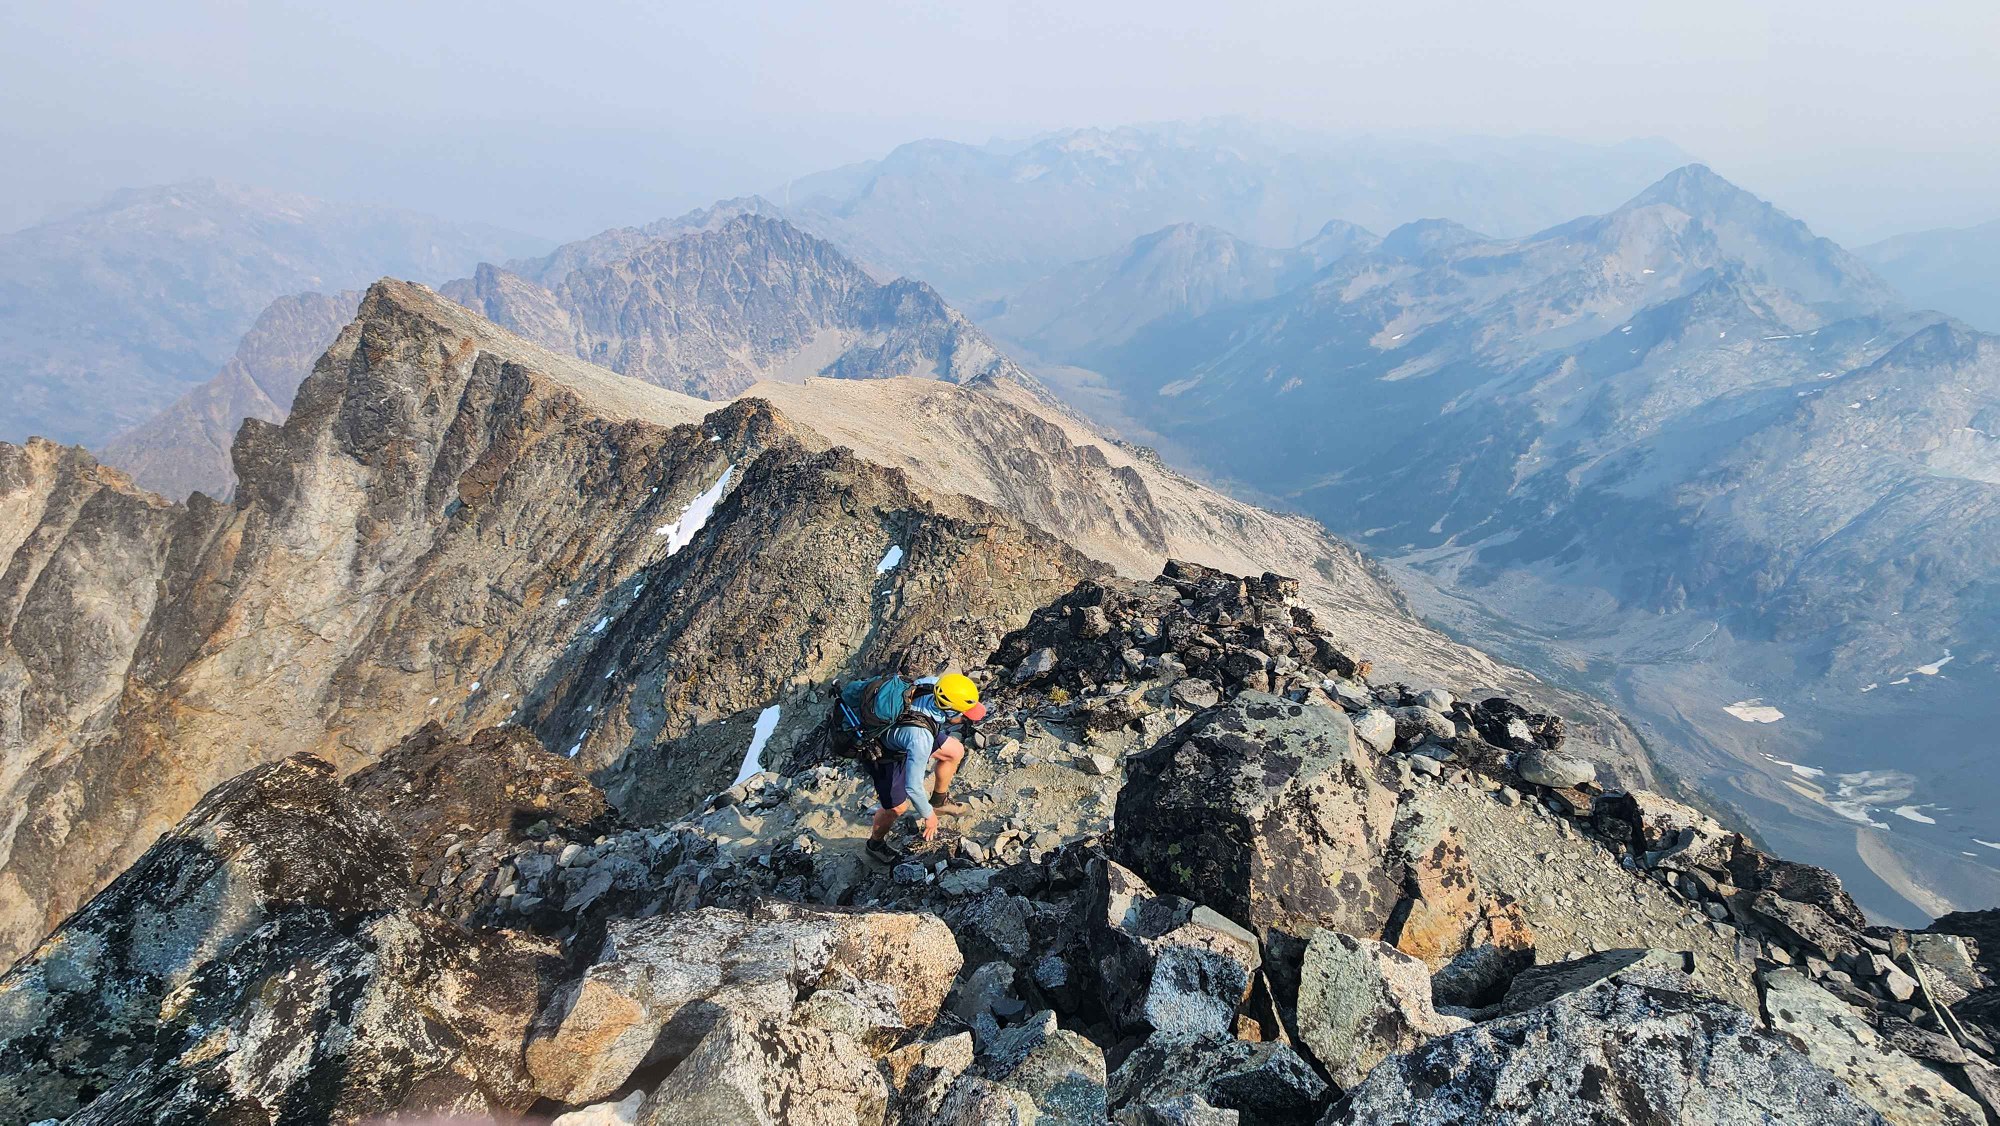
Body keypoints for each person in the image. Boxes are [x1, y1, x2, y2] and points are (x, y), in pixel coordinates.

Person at [864, 672, 986, 864]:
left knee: (954, 751)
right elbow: (913, 787)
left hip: (914, 725)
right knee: (896, 808)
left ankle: (939, 801)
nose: (966, 719)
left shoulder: (934, 685)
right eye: (963, 714)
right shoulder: (921, 739)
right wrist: (928, 816)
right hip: (885, 752)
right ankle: (875, 844)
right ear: (949, 710)